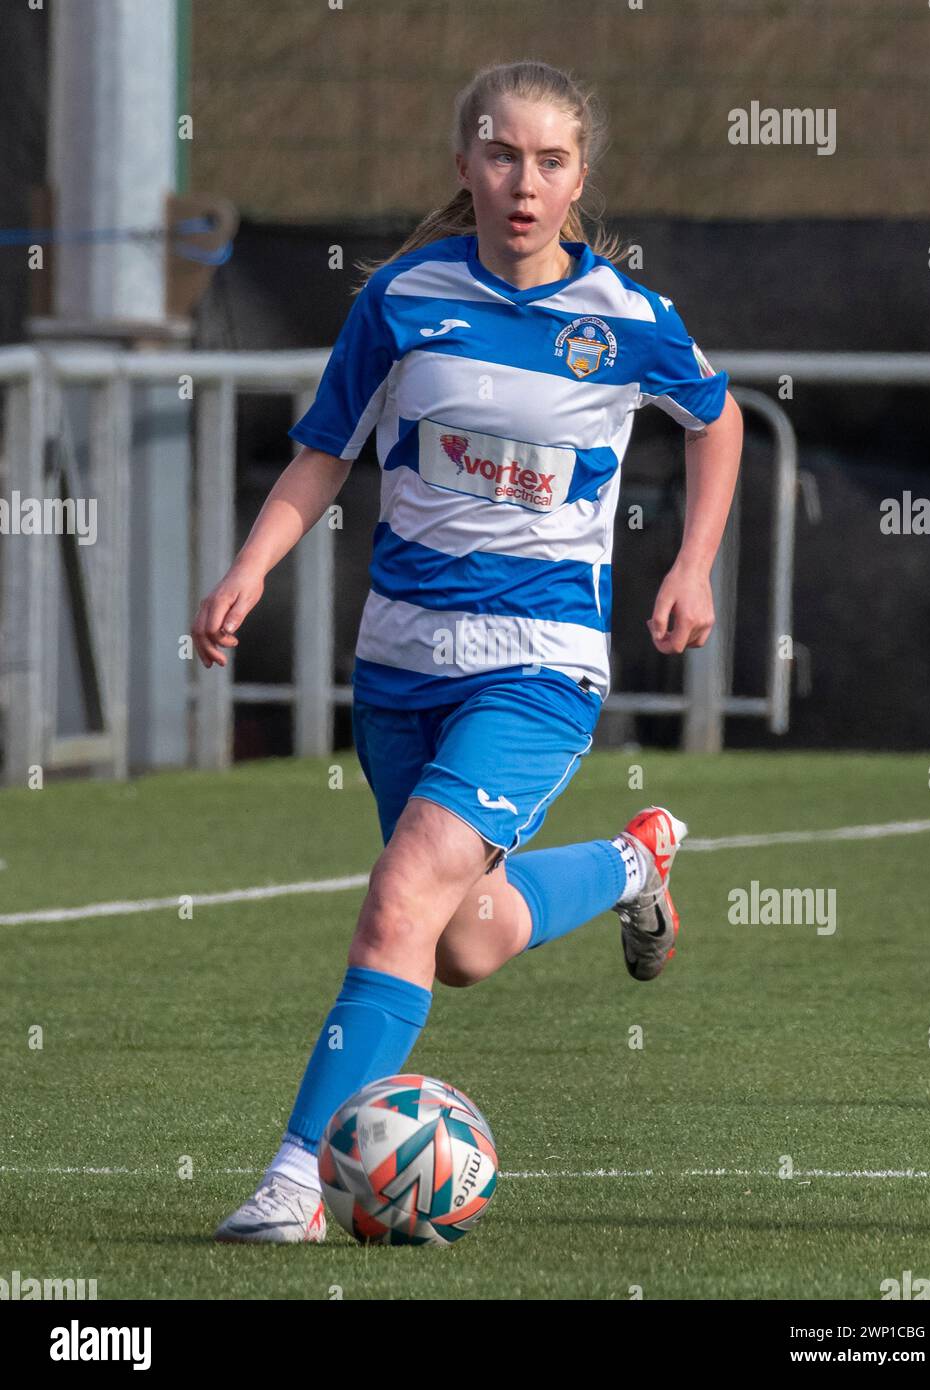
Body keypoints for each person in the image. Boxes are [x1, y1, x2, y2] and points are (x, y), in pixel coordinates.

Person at [193, 59, 743, 1243]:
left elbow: (719, 417)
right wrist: (253, 562)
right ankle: (635, 868)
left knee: (399, 898)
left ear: (580, 174)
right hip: (399, 664)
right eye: (502, 155)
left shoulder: (627, 321)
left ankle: (295, 1180)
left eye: (551, 161)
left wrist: (693, 563)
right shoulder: (399, 299)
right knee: (464, 940)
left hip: (541, 666)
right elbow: (324, 451)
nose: (525, 182)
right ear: (466, 165)